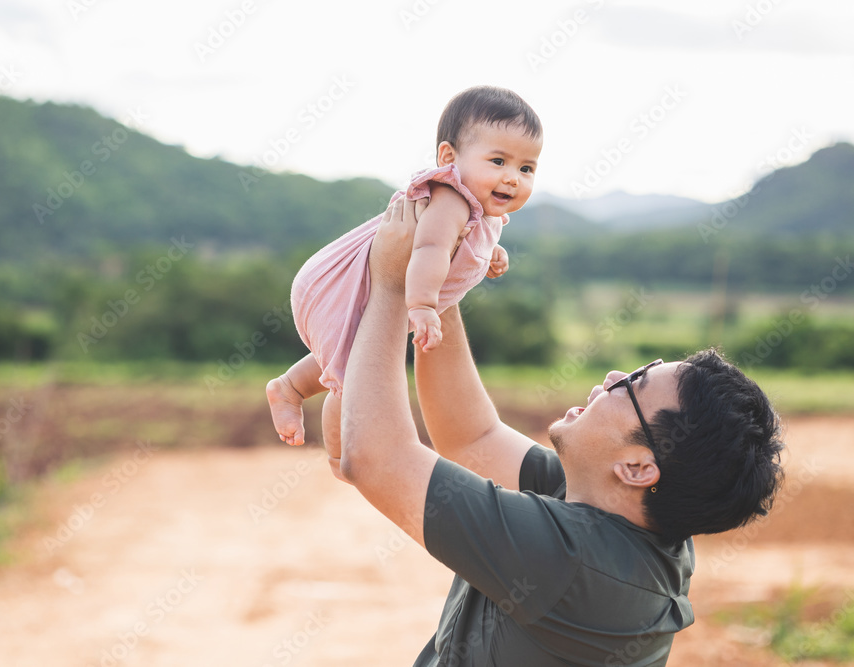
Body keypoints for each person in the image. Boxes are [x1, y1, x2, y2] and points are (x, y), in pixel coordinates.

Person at [336, 197, 785, 666]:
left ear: (637, 467)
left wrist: (393, 282)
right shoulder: (621, 510)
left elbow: (376, 460)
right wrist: (439, 287)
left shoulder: (575, 563)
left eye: (633, 385)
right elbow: (472, 439)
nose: (613, 377)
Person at [266, 86, 543, 463]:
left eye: (526, 168)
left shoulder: (480, 210)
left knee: (351, 356)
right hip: (350, 286)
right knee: (355, 378)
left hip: (364, 291)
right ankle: (342, 454)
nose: (513, 178)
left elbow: (463, 243)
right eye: (498, 161)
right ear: (449, 157)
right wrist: (424, 306)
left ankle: (290, 388)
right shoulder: (452, 200)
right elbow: (430, 249)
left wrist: (489, 254)